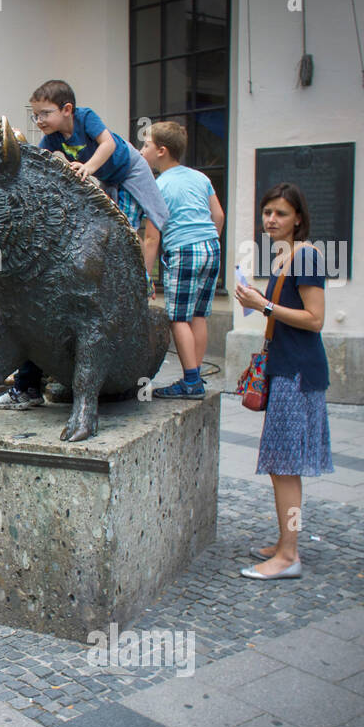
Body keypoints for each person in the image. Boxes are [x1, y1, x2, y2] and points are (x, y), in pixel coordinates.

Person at [0, 79, 169, 409]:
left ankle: (143, 276)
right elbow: (45, 168)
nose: (39, 121)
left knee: (137, 223)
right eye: (35, 116)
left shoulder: (86, 118)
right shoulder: (51, 139)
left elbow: (107, 147)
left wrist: (87, 167)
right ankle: (33, 383)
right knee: (106, 224)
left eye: (44, 114)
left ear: (67, 110)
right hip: (104, 180)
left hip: (125, 167)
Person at [232, 182, 332, 580]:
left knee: (285, 466)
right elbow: (285, 315)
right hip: (286, 369)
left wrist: (266, 305)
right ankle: (284, 542)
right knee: (281, 465)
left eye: (281, 213)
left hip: (298, 372)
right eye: (267, 211)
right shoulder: (285, 257)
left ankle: (288, 557)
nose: (271, 219)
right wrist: (260, 303)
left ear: (299, 219)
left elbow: (315, 319)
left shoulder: (305, 255)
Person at [140, 121, 225, 399]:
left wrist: (145, 277)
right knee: (198, 315)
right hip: (211, 248)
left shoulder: (158, 186)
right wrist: (207, 241)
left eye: (146, 145)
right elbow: (219, 216)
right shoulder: (200, 178)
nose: (142, 151)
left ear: (161, 151)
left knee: (177, 317)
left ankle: (190, 382)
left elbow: (152, 238)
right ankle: (195, 375)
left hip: (185, 251)